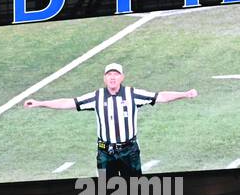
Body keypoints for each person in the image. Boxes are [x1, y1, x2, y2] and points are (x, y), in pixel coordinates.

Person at [22, 63, 199, 176]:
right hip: (105, 151)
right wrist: (40, 103)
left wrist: (184, 94)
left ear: (122, 77)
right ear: (105, 78)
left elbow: (160, 96)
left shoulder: (132, 94)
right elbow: (68, 102)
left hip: (129, 150)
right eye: (109, 74)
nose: (112, 77)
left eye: (116, 74)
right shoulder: (96, 96)